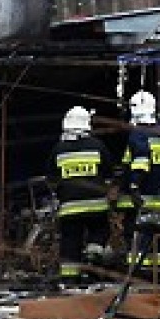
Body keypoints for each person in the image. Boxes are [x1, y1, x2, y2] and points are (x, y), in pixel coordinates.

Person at [47, 106, 112, 282]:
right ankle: (92, 259)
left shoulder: (59, 149)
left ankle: (69, 278)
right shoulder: (98, 146)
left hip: (69, 207)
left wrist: (60, 192)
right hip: (96, 205)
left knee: (70, 240)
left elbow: (51, 179)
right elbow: (108, 173)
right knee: (99, 231)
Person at [119, 89, 160, 267]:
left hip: (142, 194)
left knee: (138, 230)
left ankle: (139, 268)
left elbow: (140, 161)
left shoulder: (138, 134)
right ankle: (159, 266)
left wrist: (133, 186)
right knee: (158, 229)